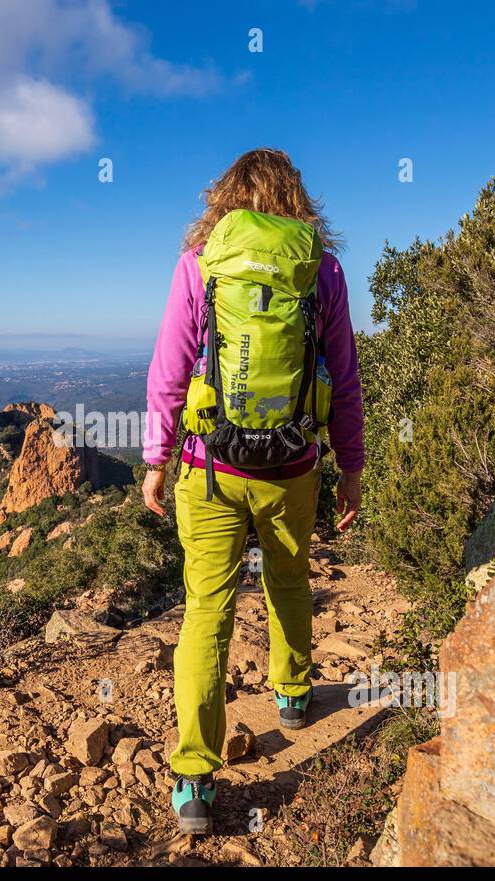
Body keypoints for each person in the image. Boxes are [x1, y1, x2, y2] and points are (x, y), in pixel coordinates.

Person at [140, 147, 365, 834]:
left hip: (212, 468)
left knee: (206, 611)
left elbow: (169, 370)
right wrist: (349, 464)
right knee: (289, 580)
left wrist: (158, 456)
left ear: (224, 199)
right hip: (293, 466)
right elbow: (345, 376)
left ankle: (194, 781)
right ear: (299, 201)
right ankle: (293, 693)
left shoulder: (200, 264)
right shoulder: (322, 270)